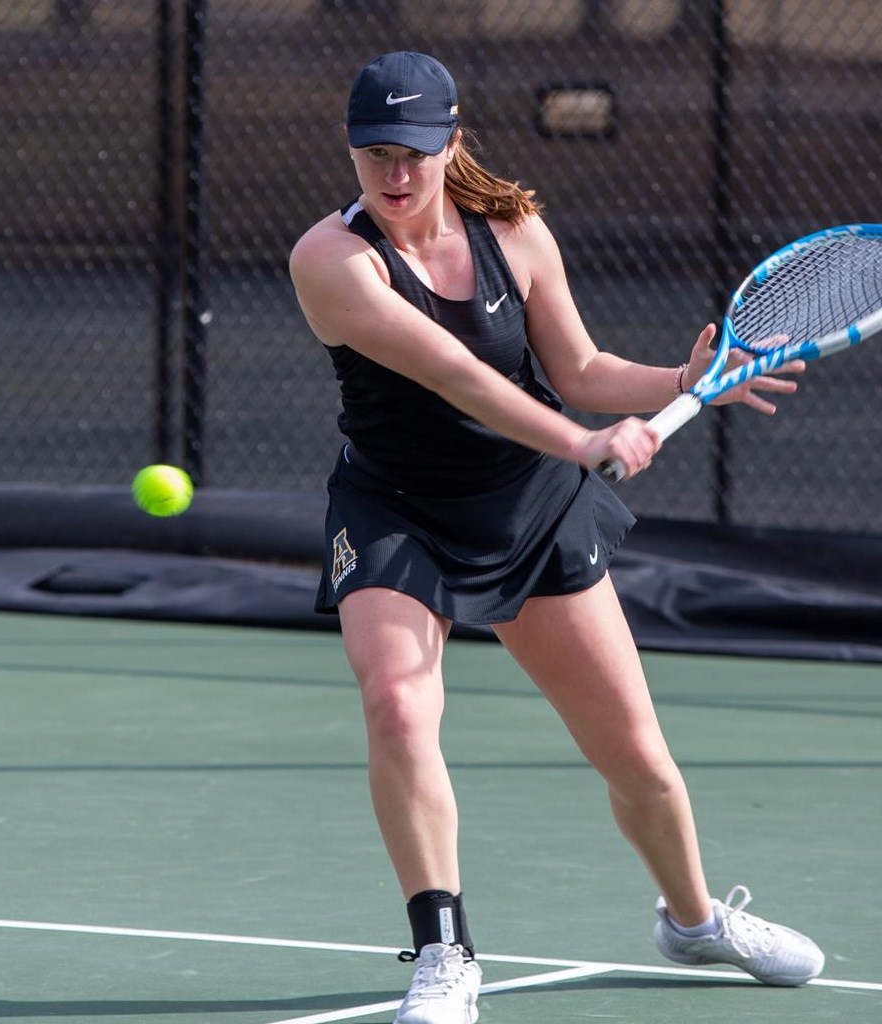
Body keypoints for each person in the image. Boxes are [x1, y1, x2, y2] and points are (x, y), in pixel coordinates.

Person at [289, 51, 825, 1024]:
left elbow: (577, 369)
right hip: (395, 508)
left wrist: (686, 382)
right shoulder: (331, 260)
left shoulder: (513, 232)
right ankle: (444, 951)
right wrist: (585, 441)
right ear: (350, 150)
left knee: (637, 759)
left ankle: (694, 920)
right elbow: (456, 375)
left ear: (451, 142)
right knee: (399, 707)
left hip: (530, 506)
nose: (395, 174)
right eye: (375, 154)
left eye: (414, 153)